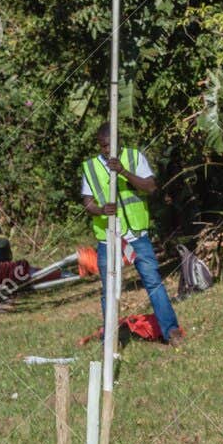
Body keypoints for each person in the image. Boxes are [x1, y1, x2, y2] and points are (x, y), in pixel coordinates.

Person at [80, 123, 184, 347]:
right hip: (108, 237)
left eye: (109, 145)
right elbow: (87, 203)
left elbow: (151, 187)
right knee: (109, 289)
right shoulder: (90, 167)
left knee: (153, 281)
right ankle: (111, 340)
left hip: (137, 235)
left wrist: (123, 172)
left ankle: (171, 330)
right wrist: (100, 210)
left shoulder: (135, 157)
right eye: (102, 146)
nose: (106, 150)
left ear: (118, 141)